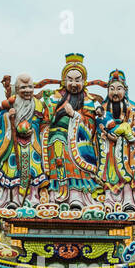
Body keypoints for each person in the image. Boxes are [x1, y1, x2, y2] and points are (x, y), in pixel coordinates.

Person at [41, 54, 101, 209]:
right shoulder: (55, 97)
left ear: (84, 81)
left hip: (79, 139)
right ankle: (55, 194)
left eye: (78, 80)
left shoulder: (88, 100)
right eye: (70, 79)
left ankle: (77, 195)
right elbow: (46, 119)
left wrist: (74, 115)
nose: (74, 84)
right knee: (57, 149)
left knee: (73, 159)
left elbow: (91, 123)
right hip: (56, 137)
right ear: (64, 80)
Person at [0, 73, 50, 208]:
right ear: (17, 90)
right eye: (23, 88)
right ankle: (12, 199)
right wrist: (7, 117)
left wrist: (32, 128)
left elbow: (41, 122)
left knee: (34, 168)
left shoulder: (37, 104)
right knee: (13, 170)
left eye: (30, 87)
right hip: (14, 141)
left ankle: (33, 197)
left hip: (32, 142)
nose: (27, 91)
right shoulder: (11, 102)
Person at [95, 69, 135, 211]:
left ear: (125, 90)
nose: (115, 93)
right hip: (109, 145)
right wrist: (106, 134)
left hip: (126, 146)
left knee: (130, 153)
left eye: (119, 89)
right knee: (109, 169)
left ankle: (128, 197)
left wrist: (120, 138)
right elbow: (98, 125)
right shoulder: (104, 108)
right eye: (111, 89)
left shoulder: (132, 108)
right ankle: (109, 197)